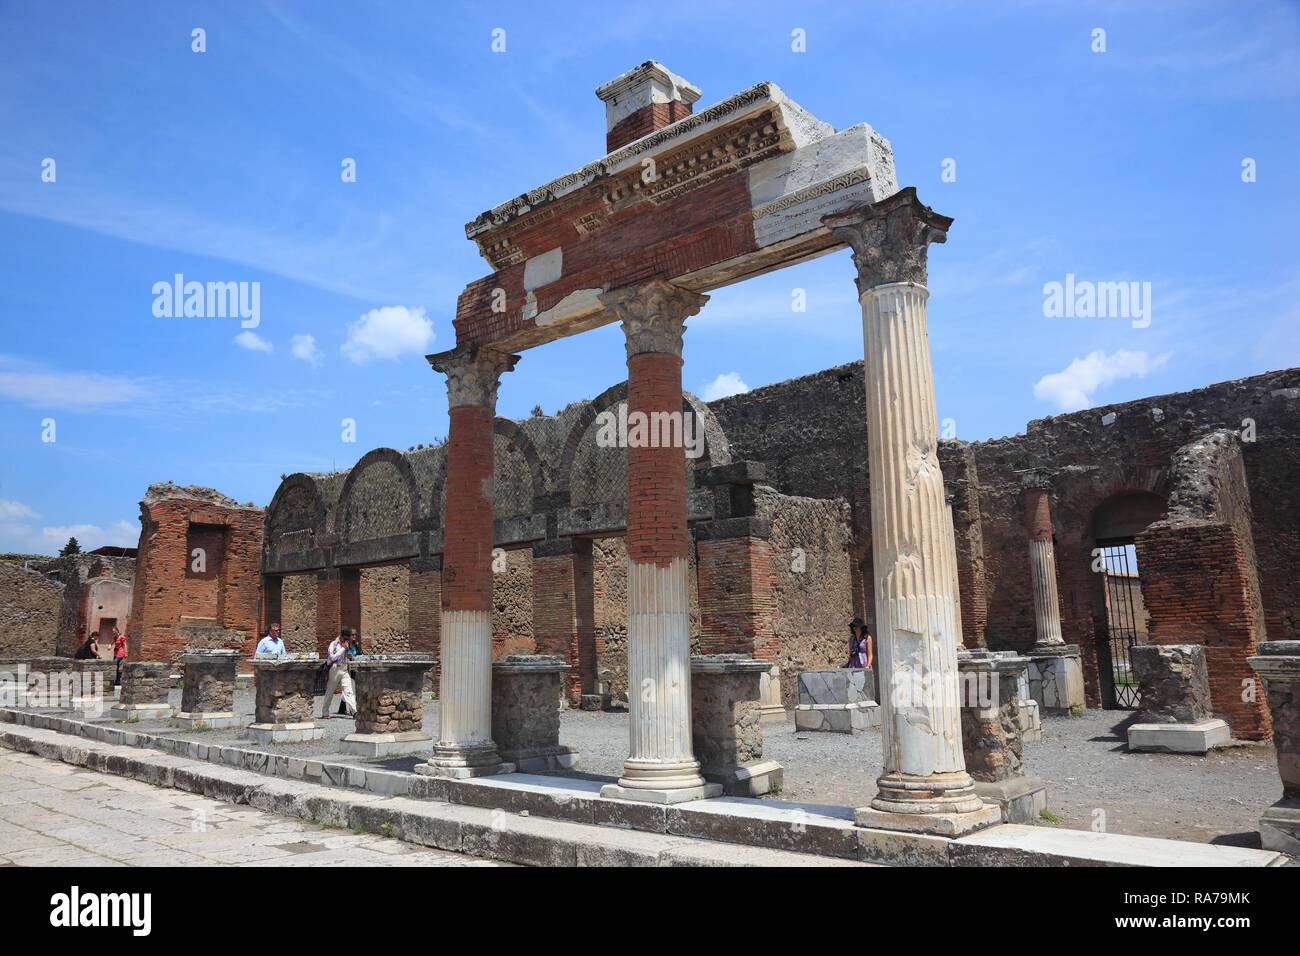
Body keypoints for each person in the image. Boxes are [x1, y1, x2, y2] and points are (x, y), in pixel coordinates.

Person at [321, 627, 357, 719]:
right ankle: (325, 712)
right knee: (330, 691)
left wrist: (348, 655)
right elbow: (332, 657)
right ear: (341, 636)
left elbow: (344, 657)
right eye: (345, 638)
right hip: (334, 669)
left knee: (349, 691)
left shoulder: (346, 644)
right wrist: (342, 649)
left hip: (344, 669)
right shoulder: (333, 644)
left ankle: (355, 712)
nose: (347, 640)